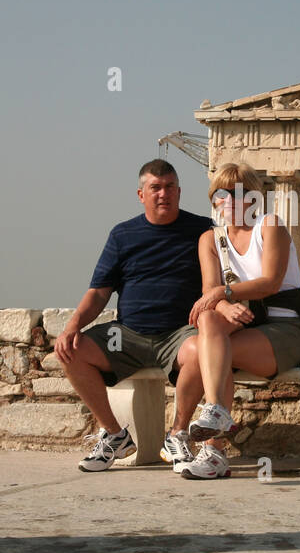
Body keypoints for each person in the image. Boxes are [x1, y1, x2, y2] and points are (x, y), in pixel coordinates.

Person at [56, 160, 226, 471]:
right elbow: (98, 293)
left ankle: (177, 434)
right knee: (71, 350)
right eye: (156, 188)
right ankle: (114, 434)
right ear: (141, 194)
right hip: (127, 336)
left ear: (179, 191)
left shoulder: (203, 230)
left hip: (180, 332)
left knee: (202, 349)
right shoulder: (122, 235)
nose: (164, 194)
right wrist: (72, 326)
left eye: (170, 187)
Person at [179, 163, 300, 480]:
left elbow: (270, 282)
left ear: (254, 199)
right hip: (240, 327)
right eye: (222, 195)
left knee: (205, 352)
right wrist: (222, 305)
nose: (230, 202)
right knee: (211, 326)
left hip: (283, 328)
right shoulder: (210, 240)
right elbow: (209, 292)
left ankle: (209, 449)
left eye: (240, 195)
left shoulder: (271, 226)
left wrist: (223, 294)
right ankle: (216, 415)